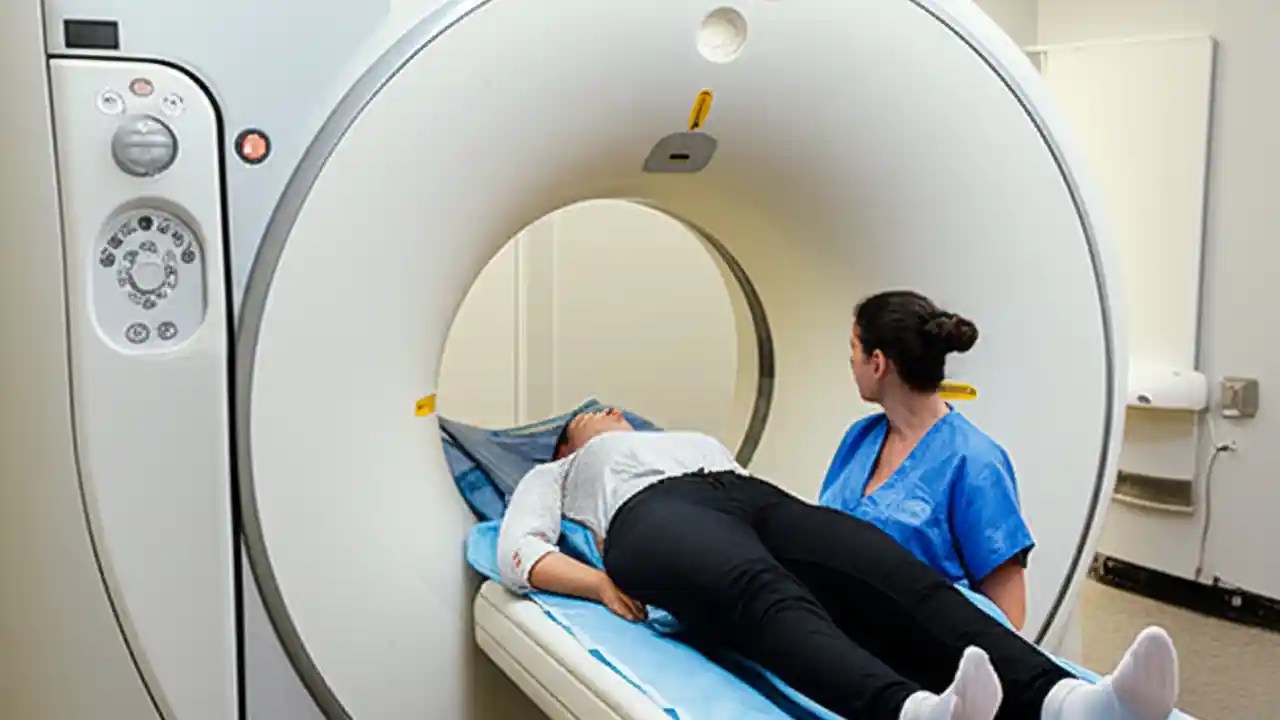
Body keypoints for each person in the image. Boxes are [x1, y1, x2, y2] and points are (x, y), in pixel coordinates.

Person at [497, 409, 1179, 720]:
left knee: (889, 573)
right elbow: (517, 553)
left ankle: (1077, 703)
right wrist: (599, 581)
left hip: (749, 494)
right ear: (566, 443)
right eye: (590, 415)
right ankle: (912, 712)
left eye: (613, 408)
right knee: (766, 593)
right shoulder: (564, 471)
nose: (608, 411)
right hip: (651, 518)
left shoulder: (686, 435)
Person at [821, 290, 1032, 628]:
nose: (850, 361)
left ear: (877, 363)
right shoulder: (859, 438)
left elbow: (1008, 615)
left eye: (853, 349)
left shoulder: (976, 463)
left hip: (924, 657)